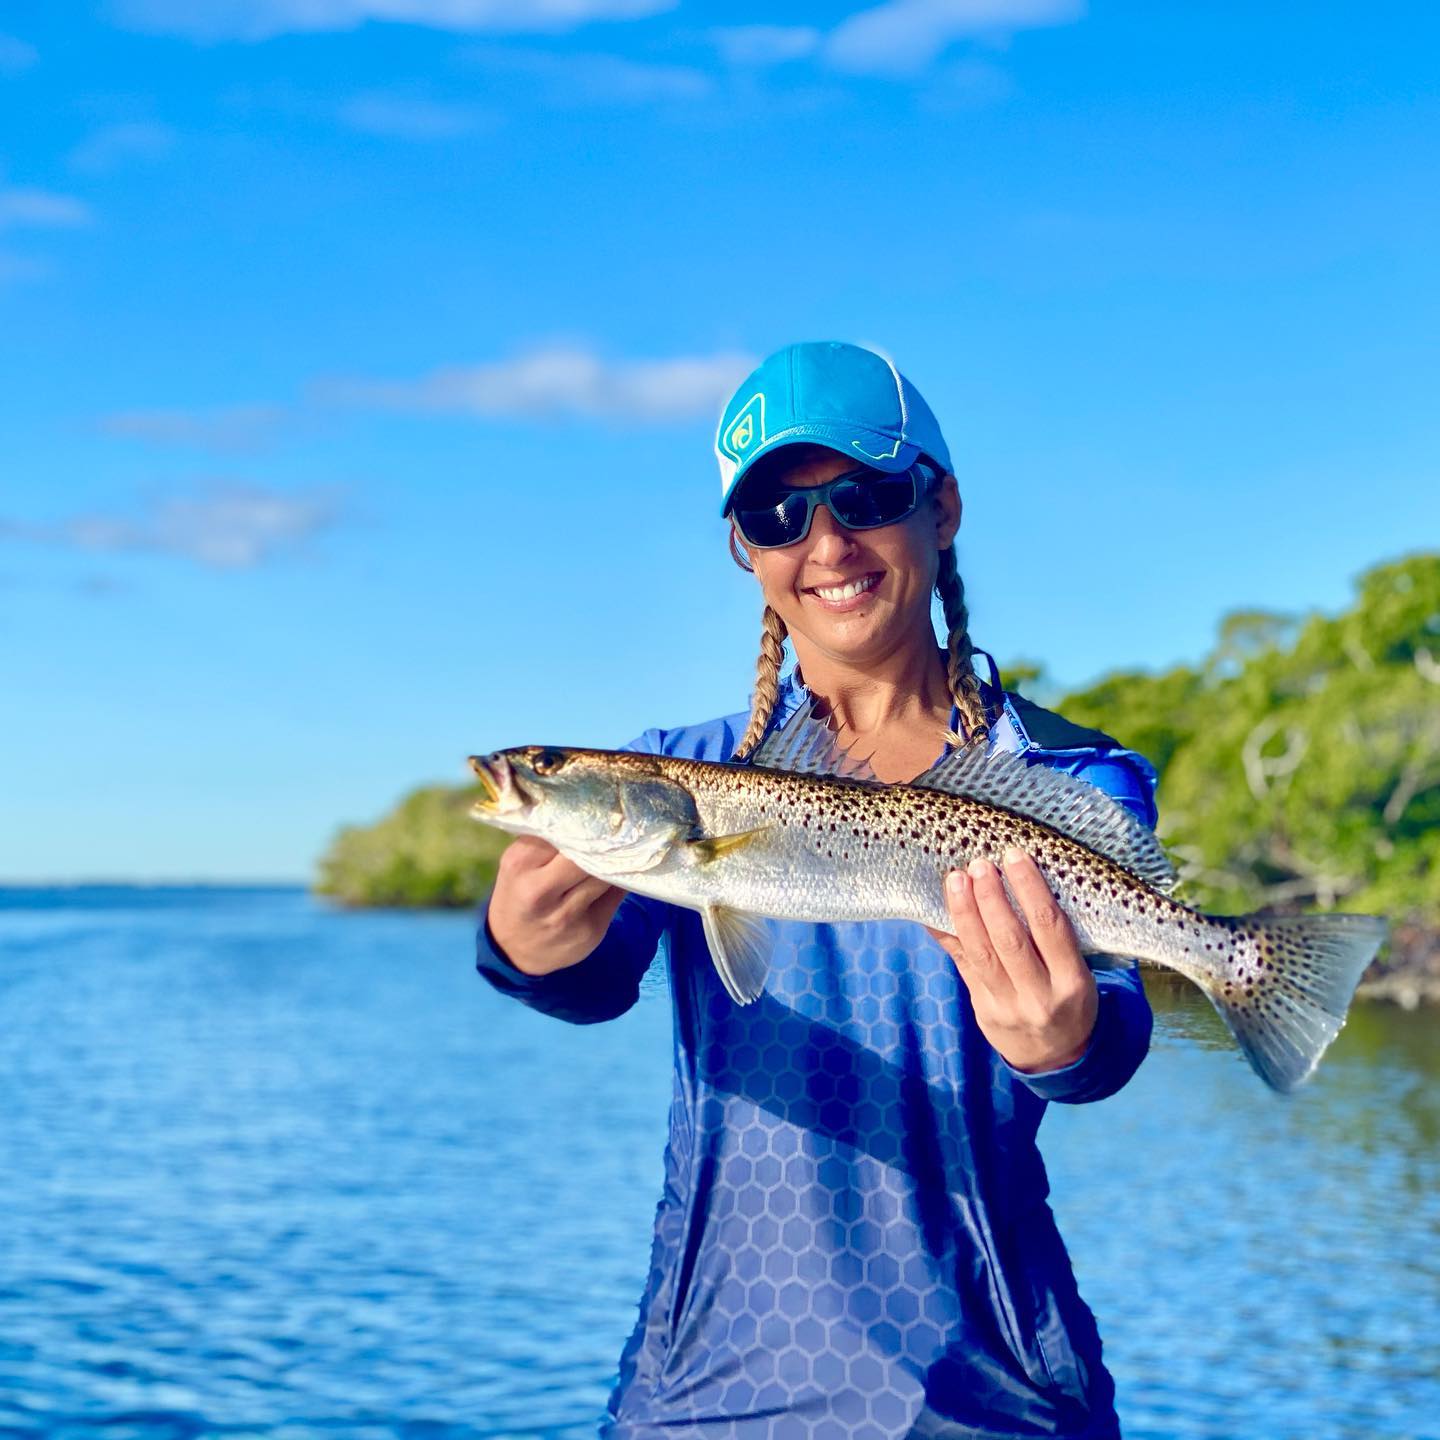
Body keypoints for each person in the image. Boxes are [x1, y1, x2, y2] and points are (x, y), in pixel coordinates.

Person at [475, 341, 1158, 1440]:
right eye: (779, 518)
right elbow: (594, 979)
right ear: (744, 550)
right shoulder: (680, 769)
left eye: (866, 495)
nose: (827, 543)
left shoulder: (1071, 778)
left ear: (941, 508)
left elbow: (1109, 1035)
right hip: (704, 1394)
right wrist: (527, 943)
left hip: (991, 1397)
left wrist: (1063, 1042)